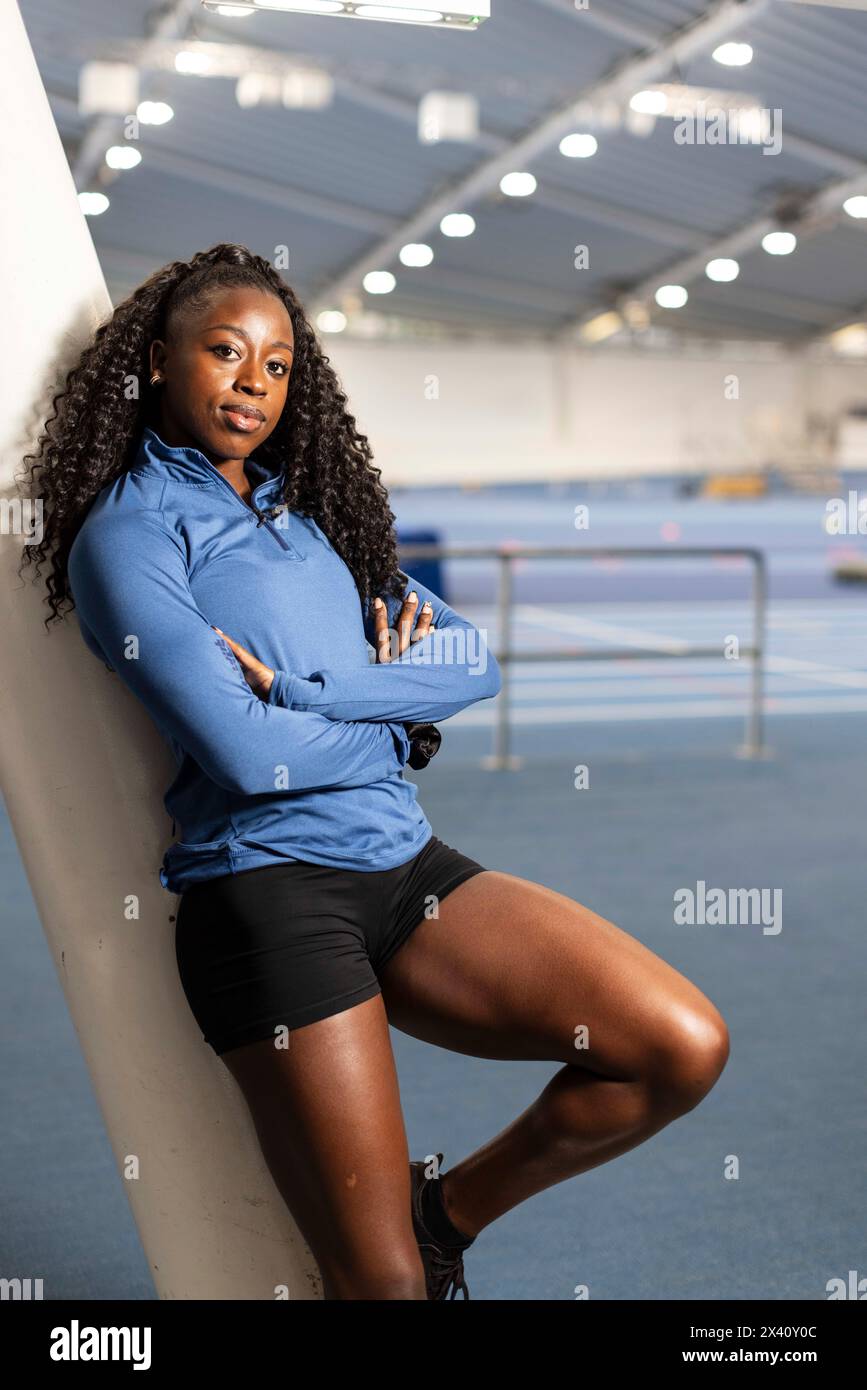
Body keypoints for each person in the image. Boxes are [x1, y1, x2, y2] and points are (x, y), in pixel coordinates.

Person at [19, 243, 729, 1301]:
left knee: (677, 1045)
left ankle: (443, 1212)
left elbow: (469, 661)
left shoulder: (312, 520)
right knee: (380, 1288)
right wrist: (392, 715)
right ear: (159, 364)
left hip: (404, 868)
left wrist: (317, 696)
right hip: (269, 901)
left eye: (277, 365)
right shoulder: (130, 537)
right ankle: (406, 1247)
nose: (253, 384)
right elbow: (251, 760)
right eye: (225, 352)